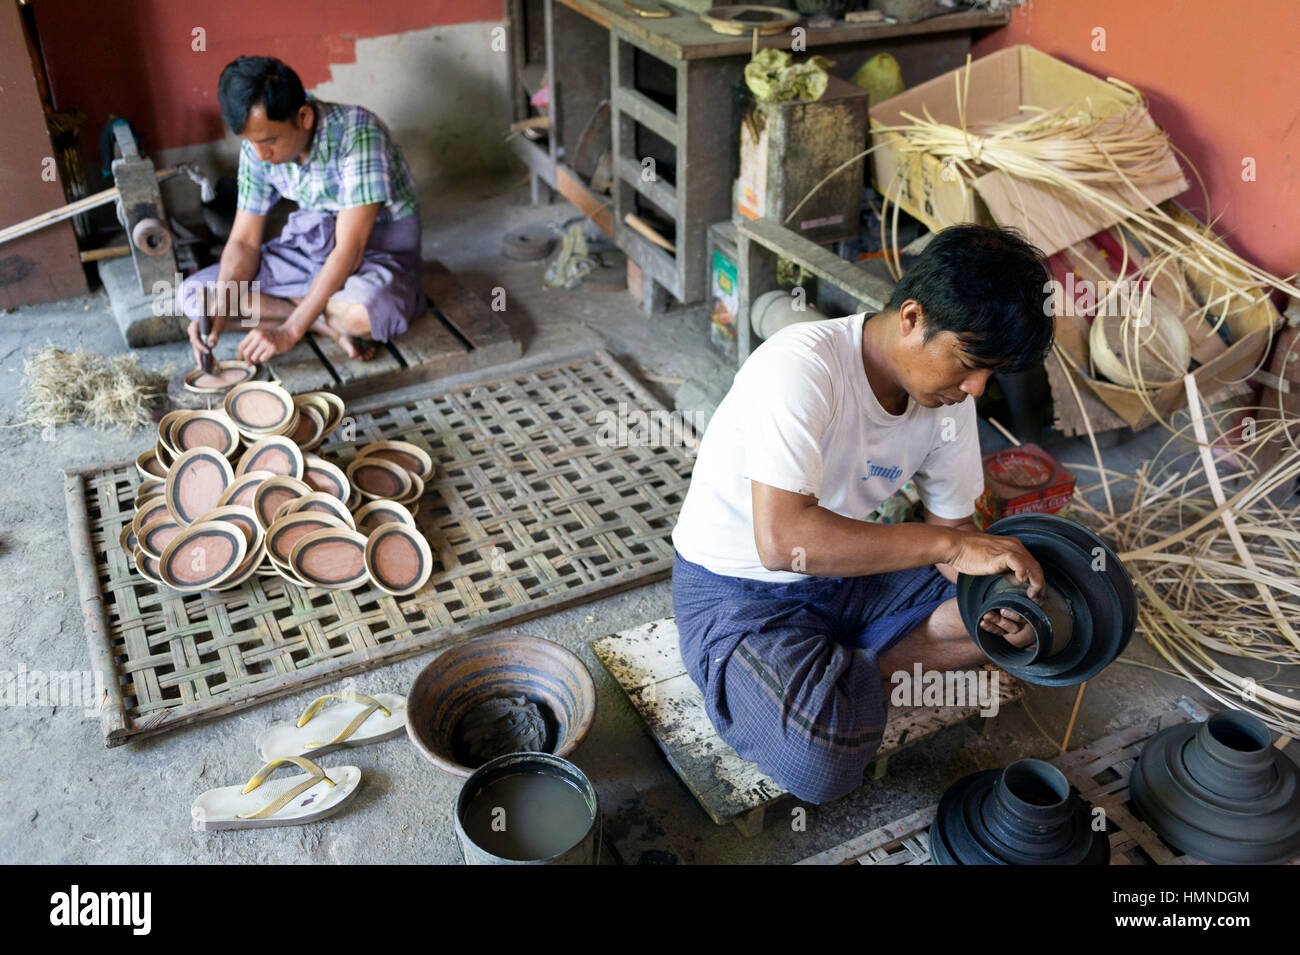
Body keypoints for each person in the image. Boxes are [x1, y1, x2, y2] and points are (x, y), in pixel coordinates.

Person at [670, 224, 1055, 804]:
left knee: (1015, 613)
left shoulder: (948, 401)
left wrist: (998, 594)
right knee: (820, 757)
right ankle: (858, 667)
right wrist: (947, 549)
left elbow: (955, 534)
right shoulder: (801, 367)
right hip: (740, 591)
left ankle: (846, 668)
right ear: (911, 317)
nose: (975, 387)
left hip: (849, 574)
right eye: (969, 362)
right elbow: (782, 541)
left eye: (990, 373)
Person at [181, 56, 422, 367]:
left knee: (368, 314)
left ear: (304, 117)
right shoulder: (258, 147)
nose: (260, 155)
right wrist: (222, 307)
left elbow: (350, 250)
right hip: (310, 251)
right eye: (251, 143)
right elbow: (244, 242)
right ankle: (327, 325)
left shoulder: (358, 133)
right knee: (195, 297)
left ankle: (306, 317)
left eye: (269, 141)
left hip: (372, 257)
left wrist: (289, 331)